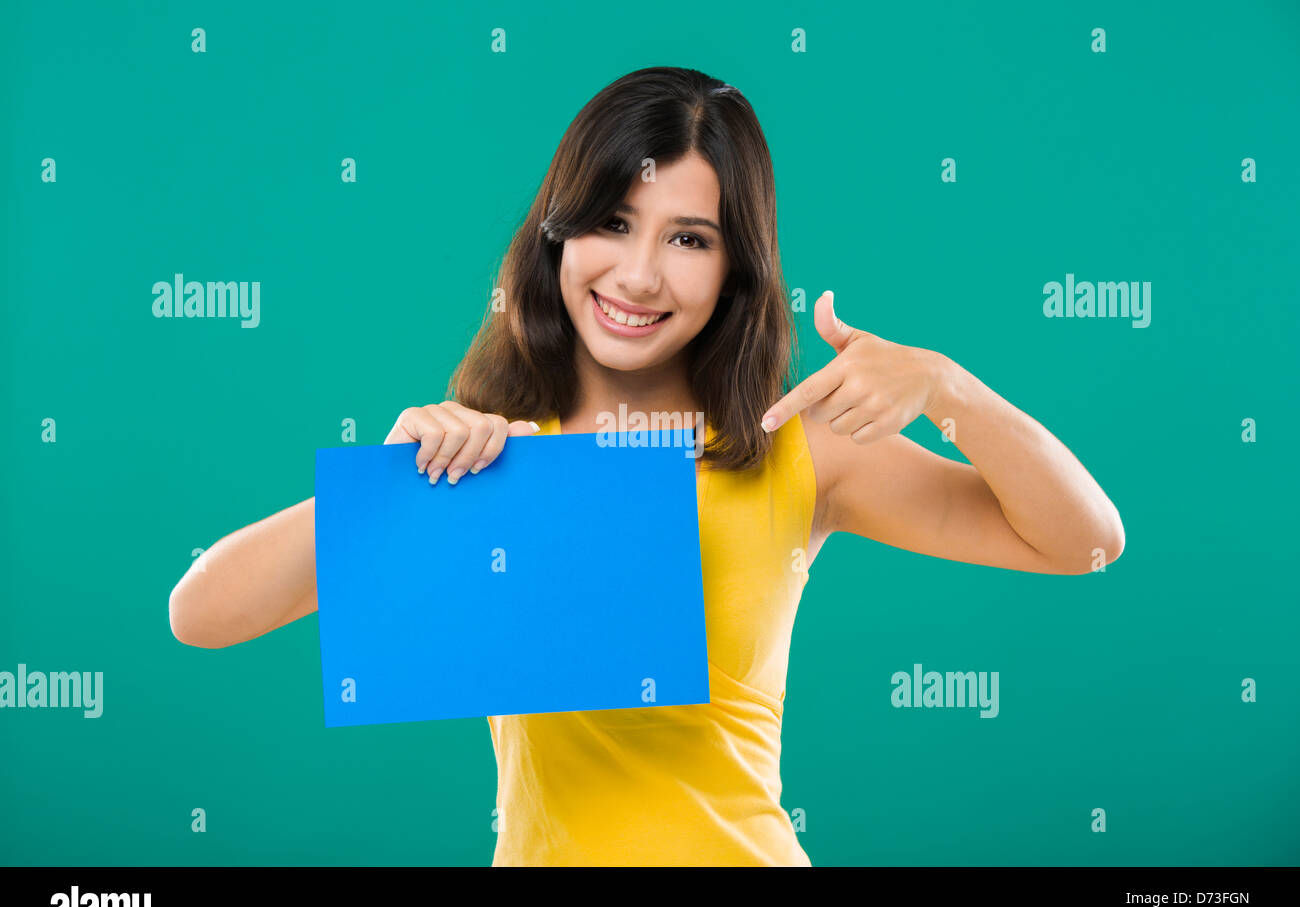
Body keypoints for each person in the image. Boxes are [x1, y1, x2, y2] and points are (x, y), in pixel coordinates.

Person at [169, 66, 1125, 866]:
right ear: (559, 230)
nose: (637, 276)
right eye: (614, 223)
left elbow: (1085, 541)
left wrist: (949, 387)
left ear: (735, 268)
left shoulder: (795, 446)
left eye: (688, 240)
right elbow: (200, 612)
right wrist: (389, 493)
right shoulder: (495, 458)